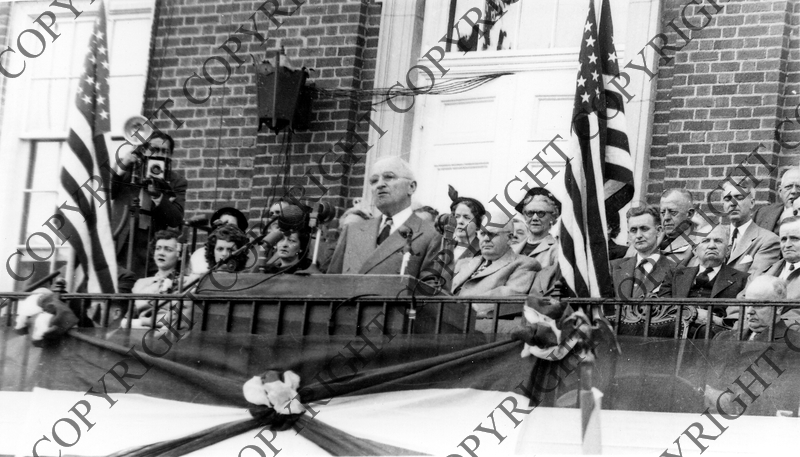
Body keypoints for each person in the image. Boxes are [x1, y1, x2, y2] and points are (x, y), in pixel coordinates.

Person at [327, 157, 441, 279]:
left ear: (411, 187)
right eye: (374, 181)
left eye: (389, 177)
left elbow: (431, 292)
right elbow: (330, 284)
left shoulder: (431, 236)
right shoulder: (352, 231)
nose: (380, 184)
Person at [111, 132, 187, 278]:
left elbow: (175, 219)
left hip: (150, 243)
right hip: (121, 238)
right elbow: (106, 193)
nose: (158, 154)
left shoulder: (176, 181)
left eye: (164, 151)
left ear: (170, 156)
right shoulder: (127, 168)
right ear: (144, 150)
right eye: (154, 149)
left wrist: (158, 196)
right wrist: (123, 166)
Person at [659, 225, 748, 336]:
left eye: (718, 241)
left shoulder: (742, 279)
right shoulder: (675, 274)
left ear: (728, 250)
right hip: (674, 332)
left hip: (713, 336)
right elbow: (662, 308)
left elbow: (736, 318)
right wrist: (693, 313)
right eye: (705, 241)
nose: (711, 246)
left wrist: (713, 320)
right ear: (695, 250)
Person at [125, 229, 194, 330]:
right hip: (137, 333)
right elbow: (129, 315)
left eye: (168, 249)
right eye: (158, 248)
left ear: (179, 256)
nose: (161, 253)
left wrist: (142, 322)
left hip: (167, 335)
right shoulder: (141, 284)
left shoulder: (186, 283)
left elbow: (178, 319)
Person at [611, 206, 676, 300]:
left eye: (644, 229)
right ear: (628, 234)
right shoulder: (614, 267)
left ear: (659, 231)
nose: (638, 235)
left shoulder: (674, 270)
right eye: (633, 230)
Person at [749, 216, 800, 325]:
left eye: (795, 238)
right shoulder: (764, 271)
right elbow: (741, 301)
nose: (787, 245)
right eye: (783, 239)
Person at [717, 276, 792, 342]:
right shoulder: (722, 338)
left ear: (779, 307)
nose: (749, 311)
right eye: (747, 304)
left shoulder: (794, 344)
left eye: (758, 305)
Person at [189, 207, 250, 275]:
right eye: (221, 225)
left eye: (232, 226)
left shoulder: (249, 258)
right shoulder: (199, 256)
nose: (226, 230)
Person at [514, 187, 559, 268]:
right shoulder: (513, 248)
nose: (535, 218)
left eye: (541, 213)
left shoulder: (556, 250)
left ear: (552, 217)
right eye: (530, 213)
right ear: (524, 216)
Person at [317, 207, 372, 273]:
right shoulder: (330, 254)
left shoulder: (371, 255)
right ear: (340, 230)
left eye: (356, 228)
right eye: (345, 228)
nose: (349, 233)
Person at [658, 188, 700, 264]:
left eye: (673, 212)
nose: (666, 217)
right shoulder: (650, 238)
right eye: (662, 212)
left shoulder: (699, 243)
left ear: (690, 214)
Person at [753, 167, 800, 234]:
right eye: (789, 186)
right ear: (780, 192)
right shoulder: (761, 214)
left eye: (799, 187)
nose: (794, 191)